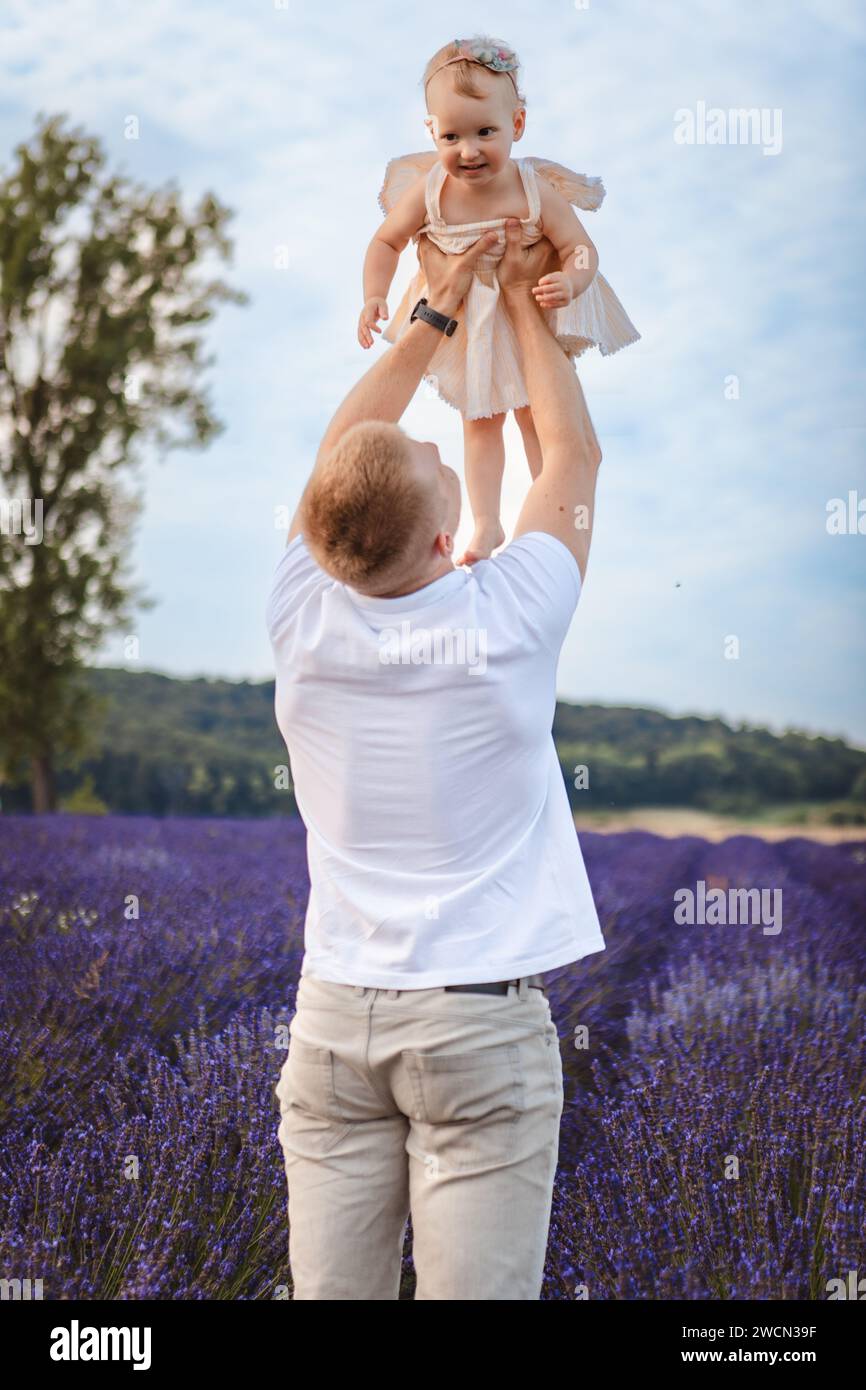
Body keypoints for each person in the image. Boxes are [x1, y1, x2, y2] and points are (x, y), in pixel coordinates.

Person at [266, 217, 606, 1300]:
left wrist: (429, 314)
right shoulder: (505, 616)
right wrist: (513, 298)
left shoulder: (301, 615)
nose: (431, 442)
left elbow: (341, 457)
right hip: (471, 1029)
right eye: (429, 457)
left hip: (331, 1021)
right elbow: (574, 458)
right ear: (429, 539)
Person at [358, 32, 639, 563]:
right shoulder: (431, 190)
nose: (468, 151)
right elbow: (386, 240)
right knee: (479, 421)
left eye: (485, 131)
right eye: (451, 136)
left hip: (527, 311)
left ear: (517, 125)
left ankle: (547, 505)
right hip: (468, 322)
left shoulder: (534, 188)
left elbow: (579, 247)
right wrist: (375, 293)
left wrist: (573, 281)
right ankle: (486, 524)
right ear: (431, 133)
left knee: (540, 414)